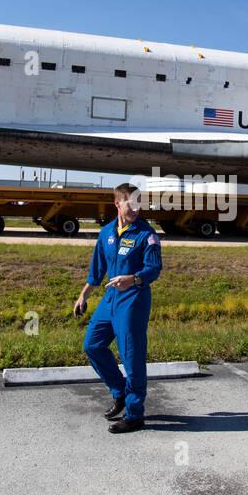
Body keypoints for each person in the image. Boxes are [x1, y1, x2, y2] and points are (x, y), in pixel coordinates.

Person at [74, 183, 162, 433]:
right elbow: (97, 270)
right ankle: (120, 392)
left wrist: (133, 279)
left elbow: (154, 269)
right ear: (117, 204)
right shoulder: (106, 233)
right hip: (110, 299)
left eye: (138, 203)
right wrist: (83, 295)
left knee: (131, 357)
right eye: (130, 203)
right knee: (92, 344)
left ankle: (135, 414)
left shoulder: (147, 234)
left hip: (133, 299)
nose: (135, 208)